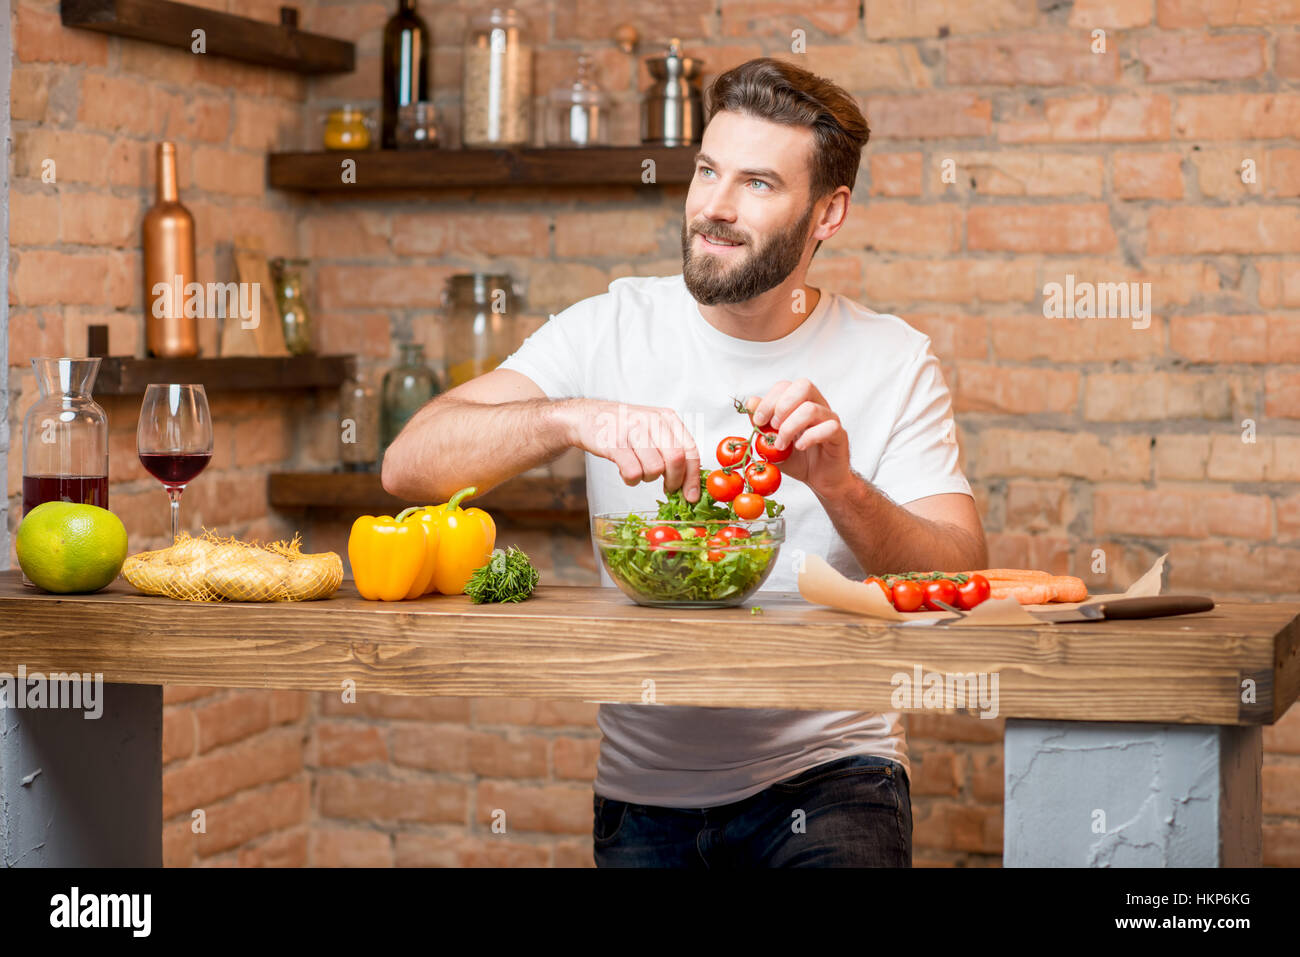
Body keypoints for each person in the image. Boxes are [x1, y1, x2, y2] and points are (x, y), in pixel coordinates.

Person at [382, 57, 988, 867]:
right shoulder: (609, 325)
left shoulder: (891, 358)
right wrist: (569, 414)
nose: (715, 208)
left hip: (834, 780)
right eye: (708, 170)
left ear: (828, 212)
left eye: (759, 184)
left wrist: (841, 487)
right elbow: (407, 464)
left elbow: (961, 574)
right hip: (644, 799)